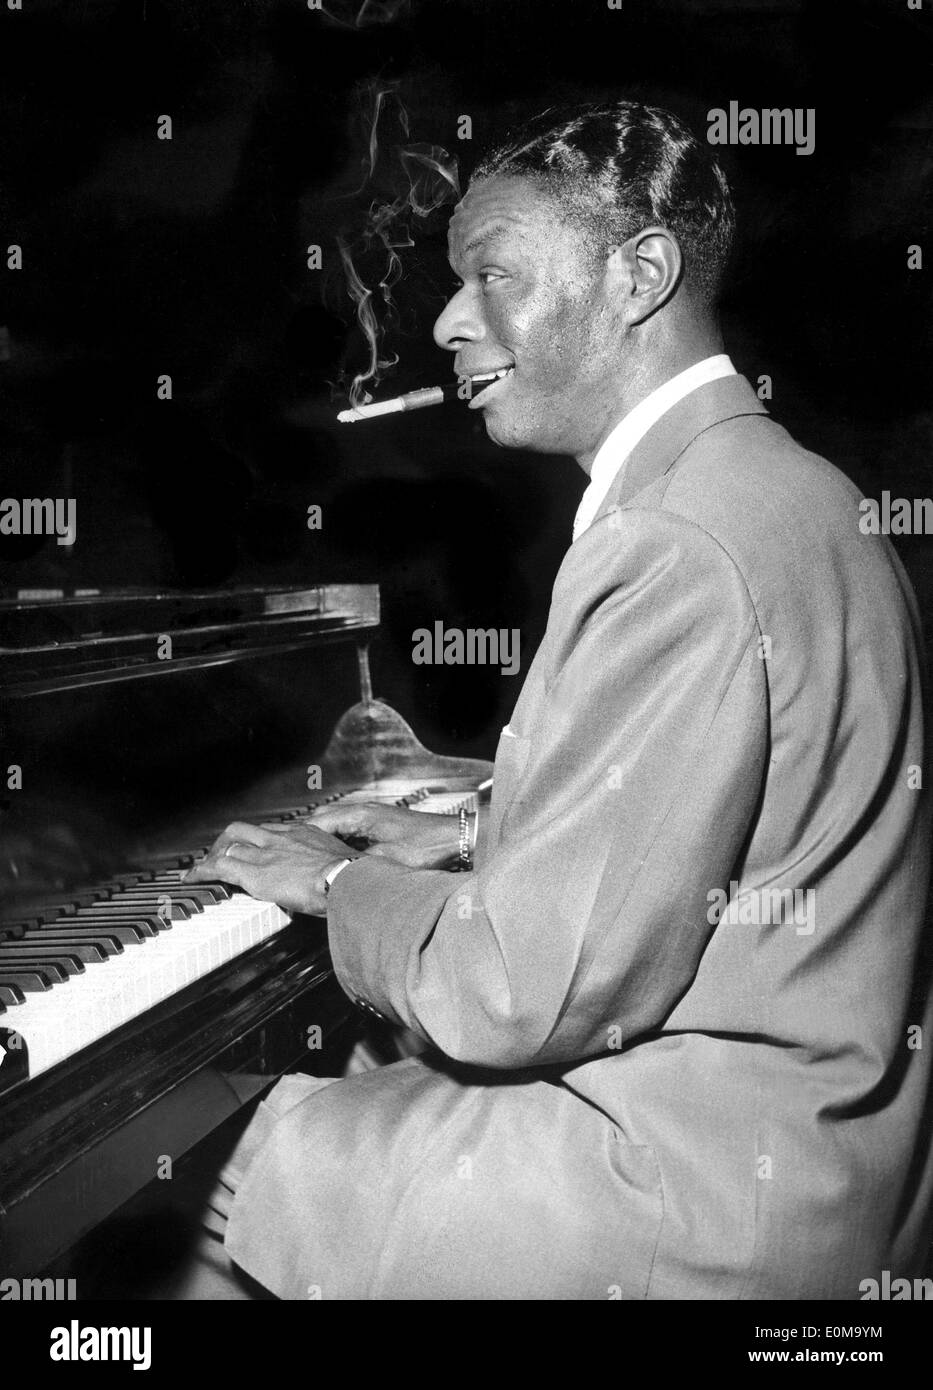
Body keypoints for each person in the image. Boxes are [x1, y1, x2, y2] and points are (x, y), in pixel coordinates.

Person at [185, 100, 933, 1299]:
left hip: (699, 1188)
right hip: (838, 1157)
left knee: (226, 1158)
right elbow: (732, 806)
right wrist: (478, 827)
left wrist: (334, 883)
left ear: (641, 275)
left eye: (492, 275)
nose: (446, 321)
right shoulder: (799, 488)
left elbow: (517, 995)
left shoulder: (671, 537)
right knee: (364, 1072)